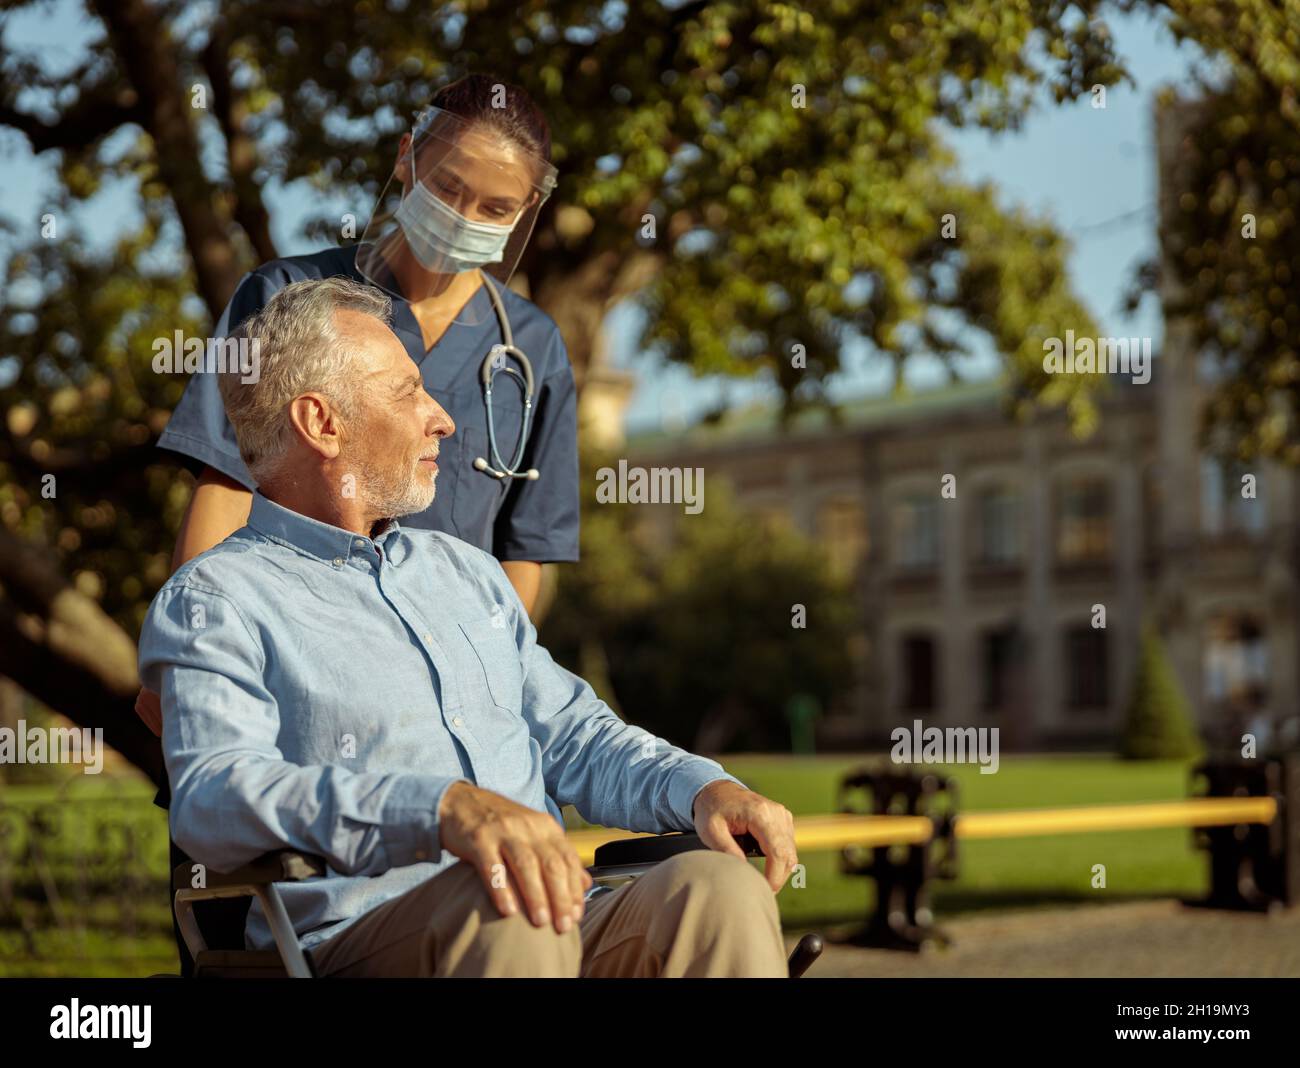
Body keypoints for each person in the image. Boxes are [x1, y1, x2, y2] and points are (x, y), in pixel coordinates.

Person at [139, 277, 797, 977]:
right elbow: (213, 798)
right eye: (406, 392)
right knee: (507, 901)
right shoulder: (217, 598)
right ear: (321, 422)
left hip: (554, 914)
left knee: (717, 891)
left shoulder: (465, 574)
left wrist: (702, 789)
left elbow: (575, 736)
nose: (441, 418)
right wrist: (436, 808)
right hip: (362, 939)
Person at [136, 73, 576, 738]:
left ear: (523, 214)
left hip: (437, 704)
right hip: (283, 673)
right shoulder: (287, 297)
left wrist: (482, 688)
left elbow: (524, 553)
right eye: (450, 187)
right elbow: (225, 487)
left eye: (495, 208)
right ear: (408, 157)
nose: (464, 217)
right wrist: (192, 659)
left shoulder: (532, 348)